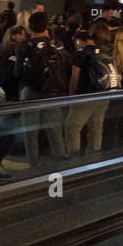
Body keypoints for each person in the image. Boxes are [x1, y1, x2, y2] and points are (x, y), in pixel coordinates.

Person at [17, 11, 70, 165]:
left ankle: (33, 163)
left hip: (30, 90)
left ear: (29, 27)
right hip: (52, 89)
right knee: (54, 128)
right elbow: (65, 63)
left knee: (30, 131)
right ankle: (59, 161)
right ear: (47, 26)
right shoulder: (57, 44)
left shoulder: (25, 46)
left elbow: (17, 71)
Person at [66, 22, 117, 156]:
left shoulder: (81, 54)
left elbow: (74, 77)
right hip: (103, 95)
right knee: (96, 128)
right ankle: (93, 159)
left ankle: (74, 160)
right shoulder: (106, 53)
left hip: (85, 96)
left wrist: (71, 96)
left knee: (72, 127)